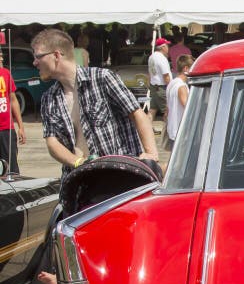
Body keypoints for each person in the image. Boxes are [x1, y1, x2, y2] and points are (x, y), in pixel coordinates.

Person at [30, 28, 158, 175]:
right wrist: (79, 163)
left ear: (56, 55)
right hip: (78, 181)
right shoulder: (49, 98)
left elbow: (137, 114)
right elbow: (52, 142)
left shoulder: (102, 79)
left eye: (38, 56)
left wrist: (151, 154)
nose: (35, 62)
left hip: (119, 175)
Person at [0, 51, 26, 173]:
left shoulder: (6, 74)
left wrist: (21, 126)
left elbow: (13, 100)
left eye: (1, 55)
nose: (1, 58)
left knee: (11, 169)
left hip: (6, 129)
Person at [165, 54, 194, 150]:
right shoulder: (182, 86)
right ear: (186, 68)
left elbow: (167, 109)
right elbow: (187, 107)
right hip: (180, 130)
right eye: (192, 68)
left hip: (172, 129)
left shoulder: (172, 83)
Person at [147, 37, 172, 133]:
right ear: (163, 47)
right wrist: (170, 88)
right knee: (167, 110)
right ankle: (169, 130)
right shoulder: (161, 59)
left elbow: (149, 72)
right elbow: (166, 75)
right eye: (167, 46)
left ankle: (148, 129)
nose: (168, 48)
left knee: (152, 109)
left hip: (154, 85)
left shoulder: (151, 57)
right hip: (161, 87)